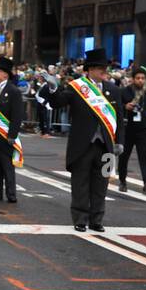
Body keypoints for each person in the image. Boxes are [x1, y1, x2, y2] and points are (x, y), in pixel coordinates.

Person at [54, 49, 124, 231]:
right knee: (80, 184)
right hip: (82, 144)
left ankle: (97, 219)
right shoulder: (77, 87)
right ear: (90, 69)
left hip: (105, 145)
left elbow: (119, 118)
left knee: (101, 184)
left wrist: (119, 142)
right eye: (100, 67)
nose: (104, 71)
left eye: (105, 67)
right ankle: (80, 218)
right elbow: (58, 102)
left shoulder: (113, 90)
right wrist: (53, 88)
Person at [0, 56, 24, 203]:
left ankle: (11, 194)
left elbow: (17, 114)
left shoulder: (13, 91)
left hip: (4, 133)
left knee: (7, 165)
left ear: (5, 74)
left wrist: (13, 134)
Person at [118, 66, 146, 195]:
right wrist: (126, 107)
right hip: (128, 130)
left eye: (142, 78)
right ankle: (122, 181)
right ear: (132, 79)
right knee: (124, 157)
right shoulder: (125, 92)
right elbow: (117, 108)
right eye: (138, 78)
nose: (140, 80)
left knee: (144, 157)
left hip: (143, 130)